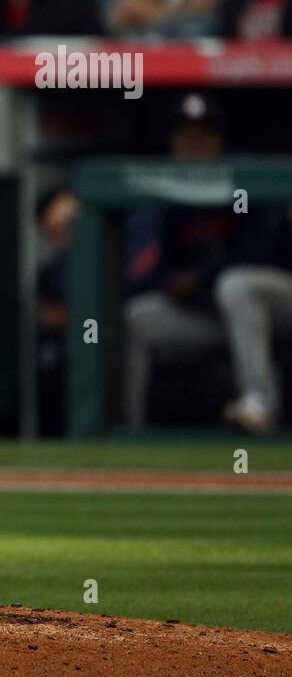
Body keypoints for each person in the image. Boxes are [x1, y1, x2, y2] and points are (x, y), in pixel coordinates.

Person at [123, 93, 292, 433]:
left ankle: (260, 406)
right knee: (140, 316)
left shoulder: (246, 179)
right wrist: (170, 283)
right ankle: (126, 428)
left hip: (275, 302)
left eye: (202, 137)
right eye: (184, 138)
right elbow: (166, 266)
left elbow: (258, 253)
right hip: (217, 313)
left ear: (218, 140)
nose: (192, 147)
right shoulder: (175, 194)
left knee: (238, 285)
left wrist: (197, 280)